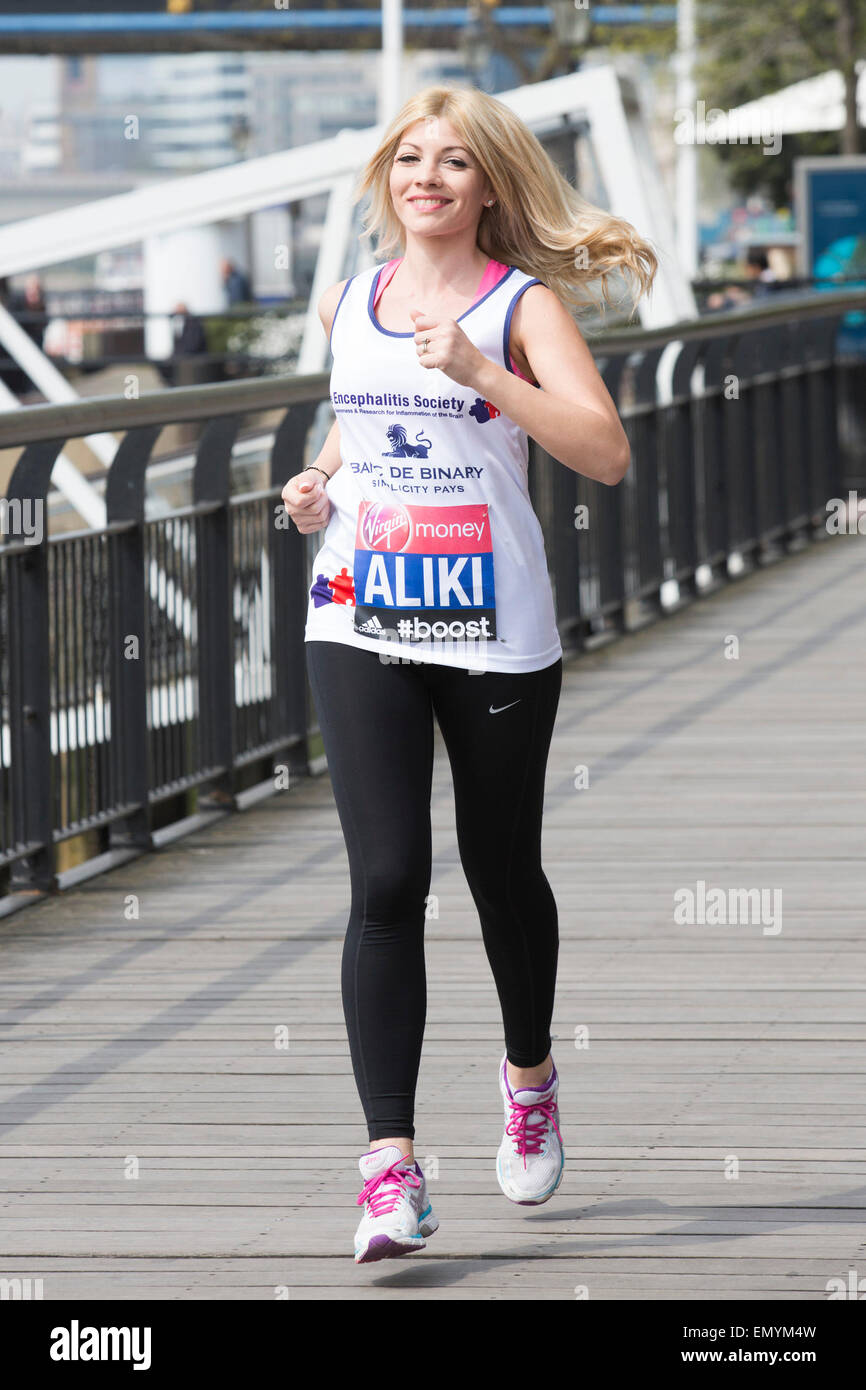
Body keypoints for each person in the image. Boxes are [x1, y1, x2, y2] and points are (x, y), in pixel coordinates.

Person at [281, 83, 657, 1265]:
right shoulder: (349, 298)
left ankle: (529, 1075)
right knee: (385, 877)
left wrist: (482, 372)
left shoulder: (520, 306)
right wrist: (317, 486)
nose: (425, 178)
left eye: (451, 162)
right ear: (387, 179)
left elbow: (602, 452)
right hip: (360, 611)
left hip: (492, 626)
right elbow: (358, 420)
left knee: (499, 870)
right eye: (408, 159)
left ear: (488, 184)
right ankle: (391, 1174)